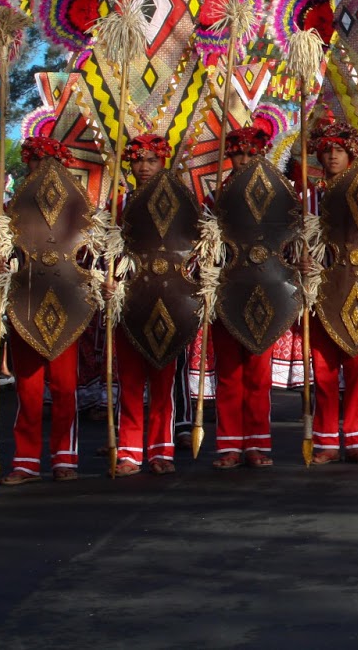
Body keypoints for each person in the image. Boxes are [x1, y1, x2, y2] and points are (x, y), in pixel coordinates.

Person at [3, 136, 93, 484]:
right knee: (27, 390)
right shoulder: (12, 209)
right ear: (27, 165)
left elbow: (93, 256)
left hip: (67, 306)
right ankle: (25, 462)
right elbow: (2, 253)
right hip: (26, 305)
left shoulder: (80, 209)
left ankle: (64, 458)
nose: (42, 168)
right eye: (35, 161)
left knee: (64, 388)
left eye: (49, 161)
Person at [114, 133, 198, 475]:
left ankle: (161, 450)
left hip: (172, 299)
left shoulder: (185, 204)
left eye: (151, 160)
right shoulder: (118, 204)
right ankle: (129, 451)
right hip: (132, 298)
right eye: (138, 160)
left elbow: (197, 249)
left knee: (163, 378)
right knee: (131, 380)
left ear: (164, 162)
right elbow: (105, 249)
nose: (144, 166)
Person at [306, 120, 358, 465]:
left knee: (357, 365)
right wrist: (301, 259)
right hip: (323, 290)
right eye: (327, 151)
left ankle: (356, 440)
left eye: (339, 150)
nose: (333, 156)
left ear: (351, 154)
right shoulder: (306, 196)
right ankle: (325, 442)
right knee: (323, 369)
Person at [209, 125, 287, 470]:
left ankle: (257, 445)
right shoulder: (215, 197)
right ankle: (228, 446)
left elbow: (294, 237)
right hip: (228, 290)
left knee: (258, 373)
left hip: (267, 290)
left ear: (261, 155)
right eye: (236, 153)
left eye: (249, 154)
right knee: (228, 373)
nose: (242, 160)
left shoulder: (283, 195)